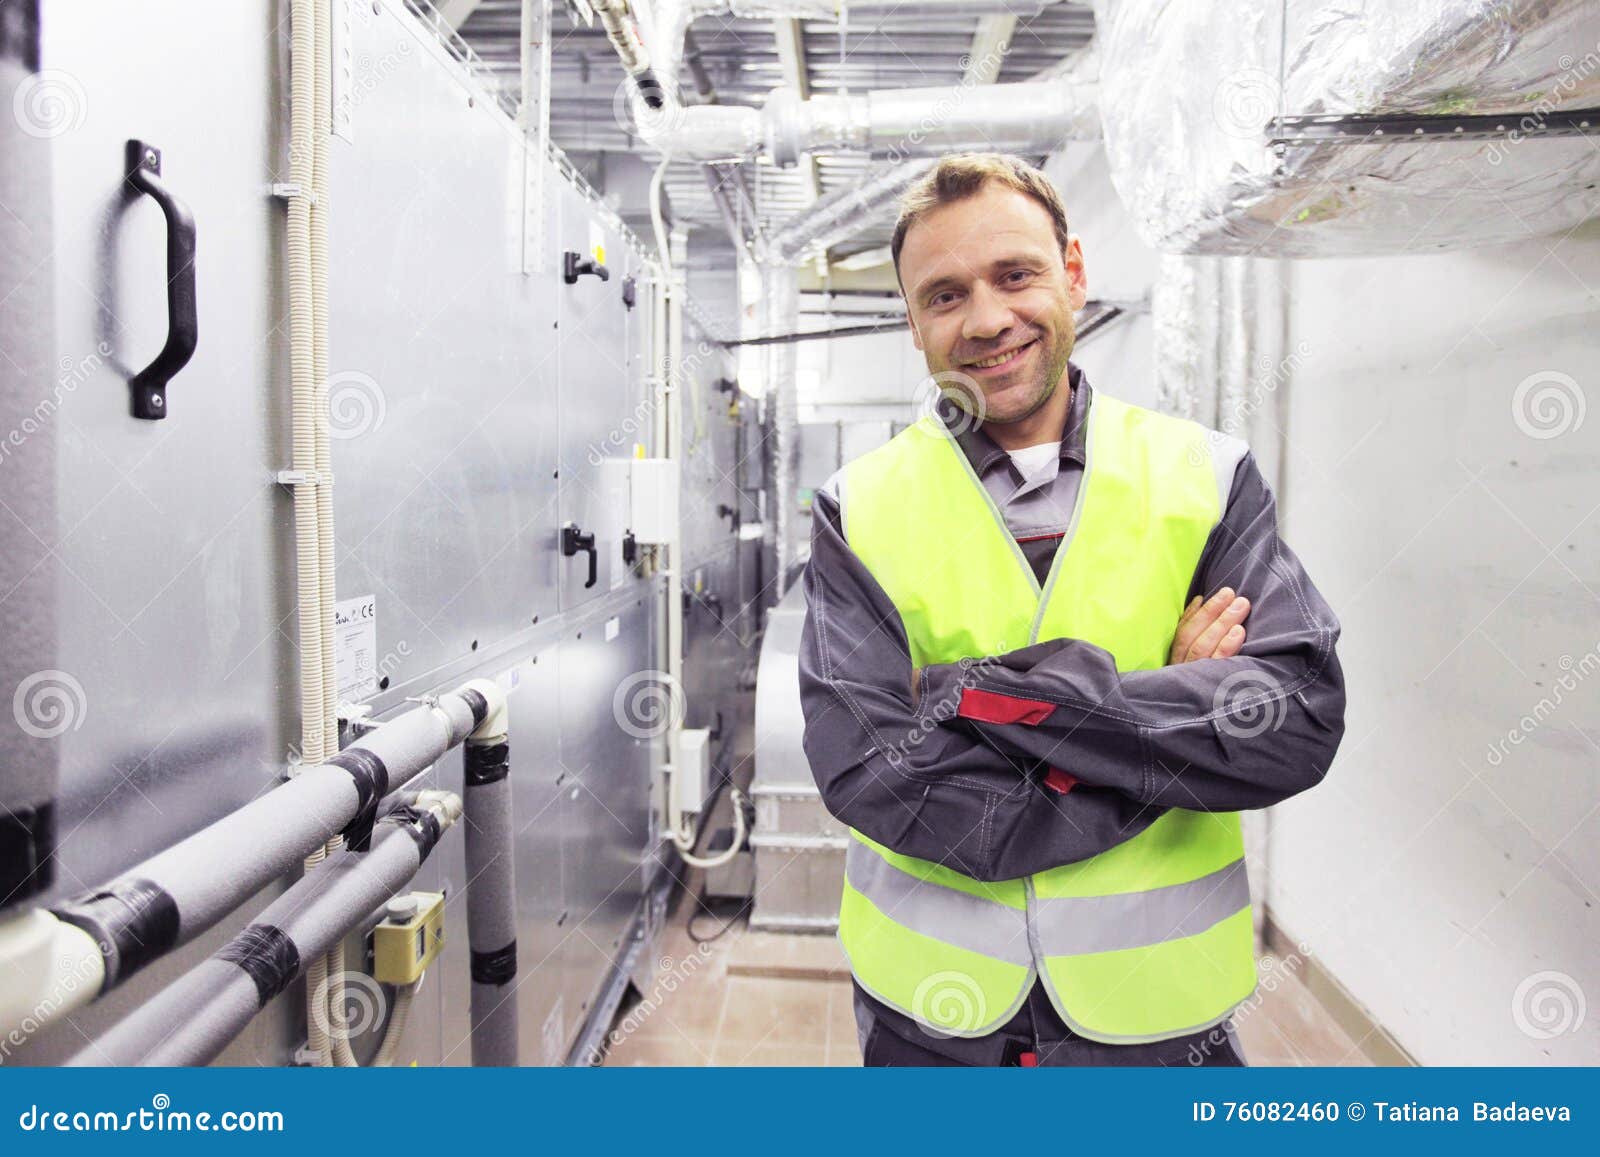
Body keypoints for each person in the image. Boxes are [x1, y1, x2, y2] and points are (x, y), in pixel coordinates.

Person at [797, 152, 1346, 1067]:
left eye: (1016, 274)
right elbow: (870, 770)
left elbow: (1293, 719)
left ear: (1075, 272)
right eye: (944, 295)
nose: (986, 319)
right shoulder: (858, 507)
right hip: (933, 1023)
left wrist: (978, 698)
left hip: (1157, 1022)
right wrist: (1158, 719)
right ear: (913, 321)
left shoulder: (1203, 477)